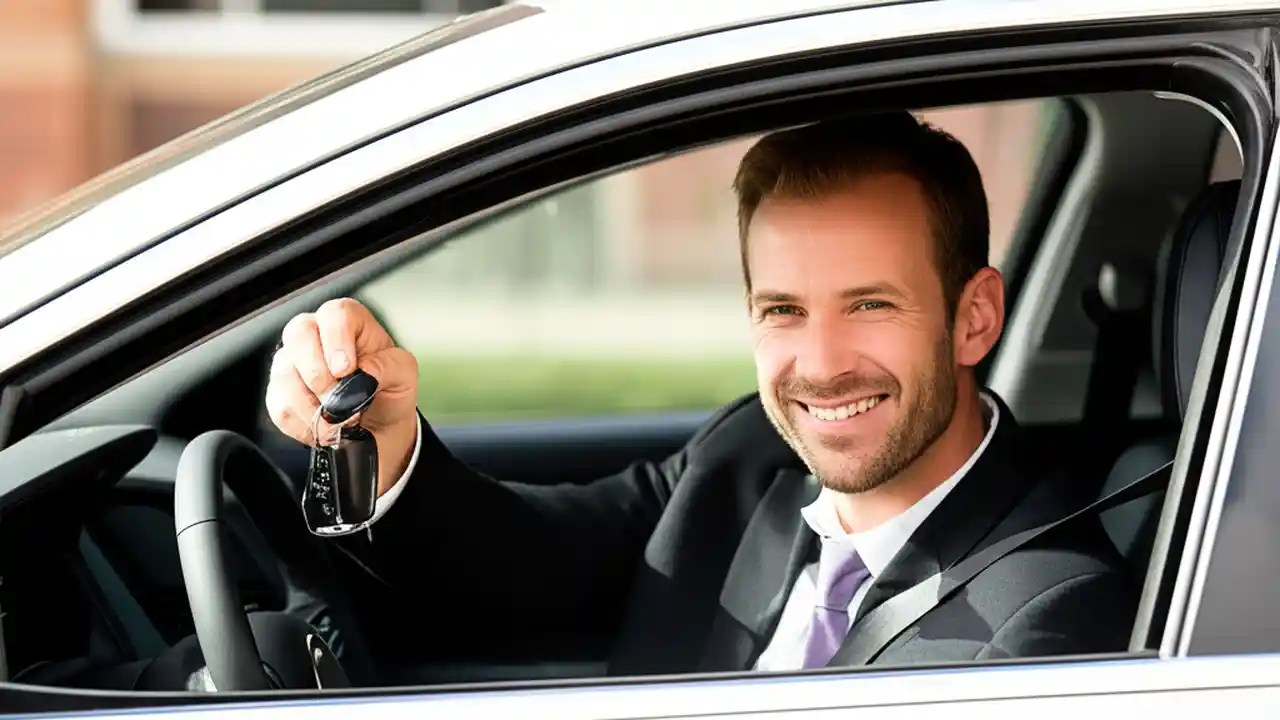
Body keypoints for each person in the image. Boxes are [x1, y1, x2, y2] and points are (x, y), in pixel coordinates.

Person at [265, 111, 1136, 676]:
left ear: (974, 317)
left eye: (870, 305)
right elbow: (525, 564)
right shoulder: (750, 457)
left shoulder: (1044, 625)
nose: (822, 364)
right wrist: (381, 445)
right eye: (784, 311)